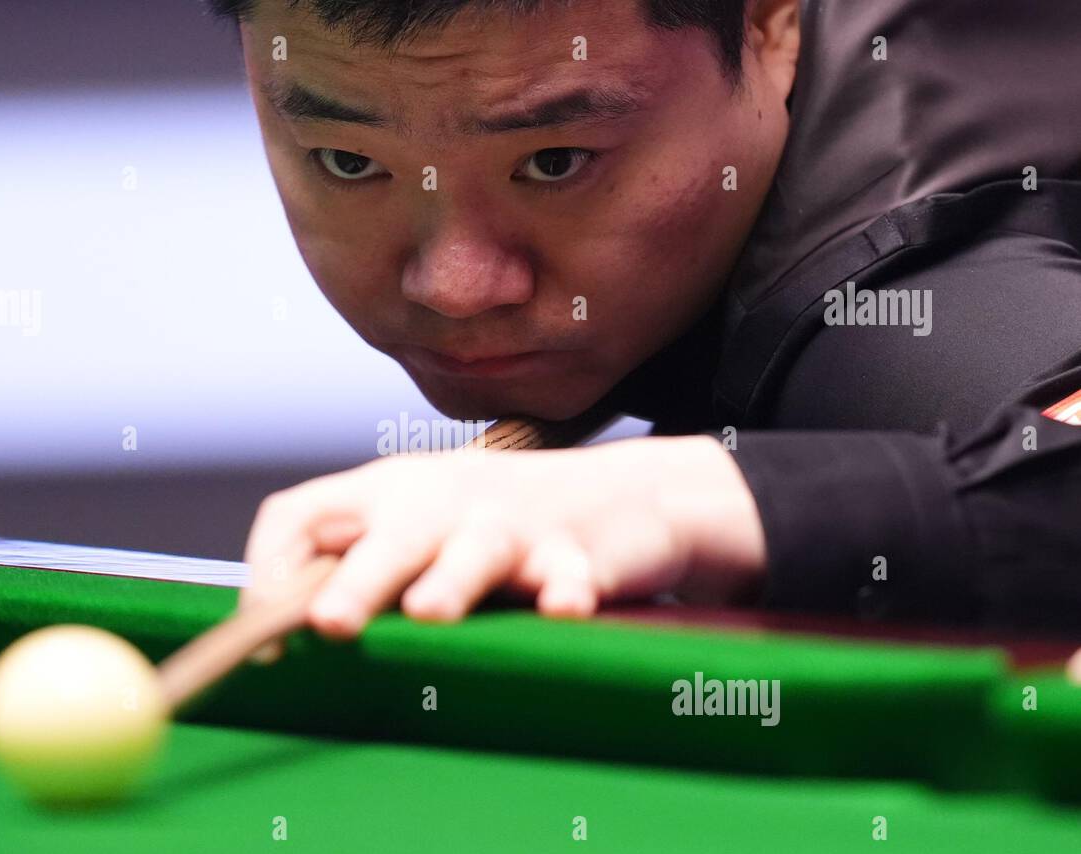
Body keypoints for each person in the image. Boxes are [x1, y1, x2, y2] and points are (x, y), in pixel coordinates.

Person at [208, 0, 1081, 640]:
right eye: (348, 160)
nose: (457, 286)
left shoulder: (898, 317)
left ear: (769, 25)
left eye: (554, 161)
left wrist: (666, 493)